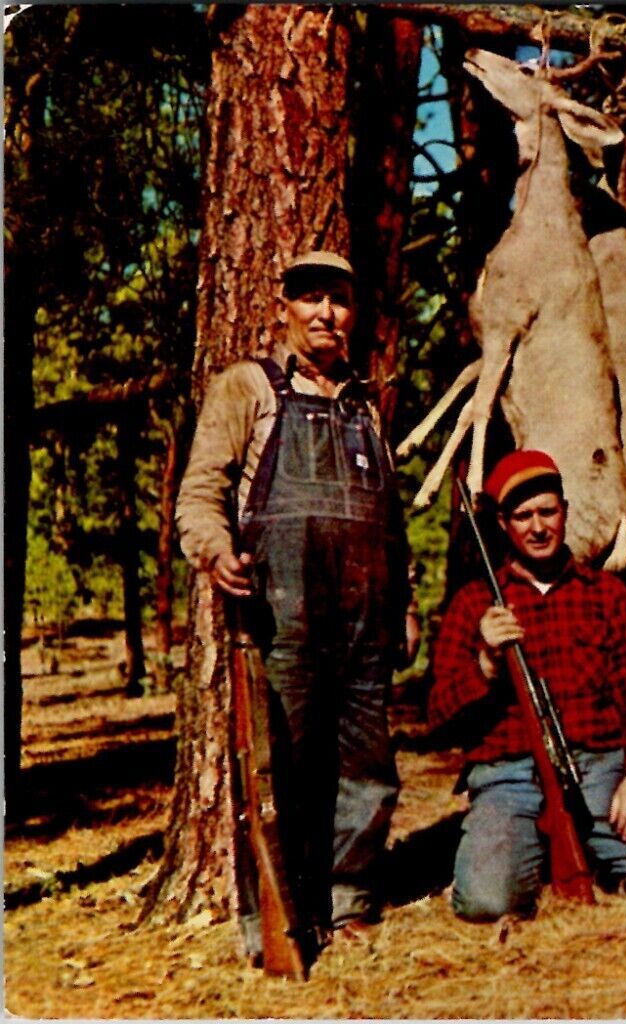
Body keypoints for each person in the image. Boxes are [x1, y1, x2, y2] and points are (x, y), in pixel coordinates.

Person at [176, 251, 417, 947]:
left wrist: (405, 604)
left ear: (354, 313)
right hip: (281, 614)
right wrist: (215, 551)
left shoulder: (365, 405)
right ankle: (274, 917)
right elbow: (201, 491)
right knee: (279, 765)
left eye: (338, 300)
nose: (325, 313)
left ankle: (350, 902)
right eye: (311, 298)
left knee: (367, 766)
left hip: (365, 619)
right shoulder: (249, 387)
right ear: (283, 307)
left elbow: (391, 522)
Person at [429, 450, 626, 919]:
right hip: (509, 777)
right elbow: (438, 717)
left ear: (565, 512)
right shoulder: (473, 603)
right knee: (485, 902)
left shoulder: (606, 594)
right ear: (503, 524)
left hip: (600, 771)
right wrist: (485, 665)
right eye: (523, 516)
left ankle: (580, 846)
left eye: (548, 512)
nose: (538, 527)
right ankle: (527, 847)